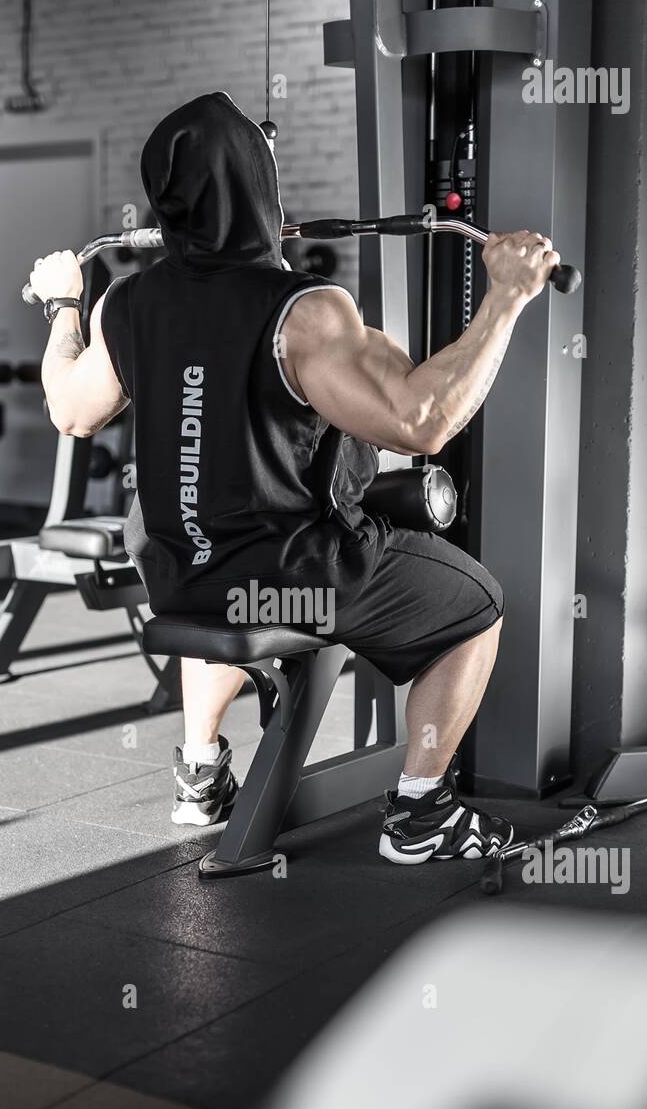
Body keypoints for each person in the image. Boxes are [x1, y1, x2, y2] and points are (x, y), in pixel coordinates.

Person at [28, 91, 561, 864]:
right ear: (259, 191)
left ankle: (200, 773)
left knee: (215, 561)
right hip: (296, 575)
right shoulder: (305, 311)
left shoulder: (126, 302)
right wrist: (508, 295)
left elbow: (72, 412)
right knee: (476, 605)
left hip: (178, 574)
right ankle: (423, 814)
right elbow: (423, 422)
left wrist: (63, 308)